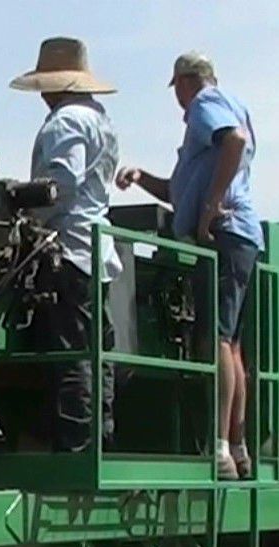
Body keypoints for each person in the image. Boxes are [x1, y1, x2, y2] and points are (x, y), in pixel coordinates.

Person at [117, 52, 263, 479]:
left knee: (217, 337)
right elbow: (183, 189)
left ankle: (219, 448)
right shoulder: (233, 104)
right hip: (241, 233)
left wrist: (211, 207)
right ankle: (237, 448)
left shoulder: (204, 106)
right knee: (232, 343)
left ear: (185, 82)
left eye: (176, 89)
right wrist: (143, 177)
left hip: (224, 231)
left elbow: (233, 141)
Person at [11, 37, 122, 453]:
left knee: (70, 354)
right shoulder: (100, 118)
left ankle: (75, 445)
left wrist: (21, 211)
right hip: (97, 247)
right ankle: (100, 438)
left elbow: (60, 184)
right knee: (97, 351)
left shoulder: (65, 122)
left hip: (69, 248)